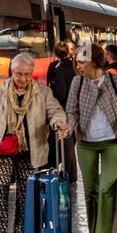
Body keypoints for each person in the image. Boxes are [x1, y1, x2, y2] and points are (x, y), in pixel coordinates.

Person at [0, 51, 69, 233]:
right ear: (11, 73)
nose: (22, 79)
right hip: (3, 148)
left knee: (27, 193)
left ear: (32, 73)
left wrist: (59, 121)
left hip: (31, 150)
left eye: (26, 74)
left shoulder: (42, 92)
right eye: (18, 74)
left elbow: (55, 110)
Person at [66, 41, 117, 233]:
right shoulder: (77, 83)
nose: (77, 66)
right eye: (76, 62)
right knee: (91, 191)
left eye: (81, 62)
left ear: (94, 62)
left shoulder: (114, 80)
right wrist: (68, 126)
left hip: (111, 143)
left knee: (107, 188)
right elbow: (71, 111)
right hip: (86, 144)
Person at [46, 40, 79, 192]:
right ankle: (71, 176)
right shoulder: (75, 67)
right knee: (69, 141)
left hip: (62, 108)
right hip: (75, 109)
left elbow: (60, 92)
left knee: (64, 142)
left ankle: (62, 174)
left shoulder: (56, 68)